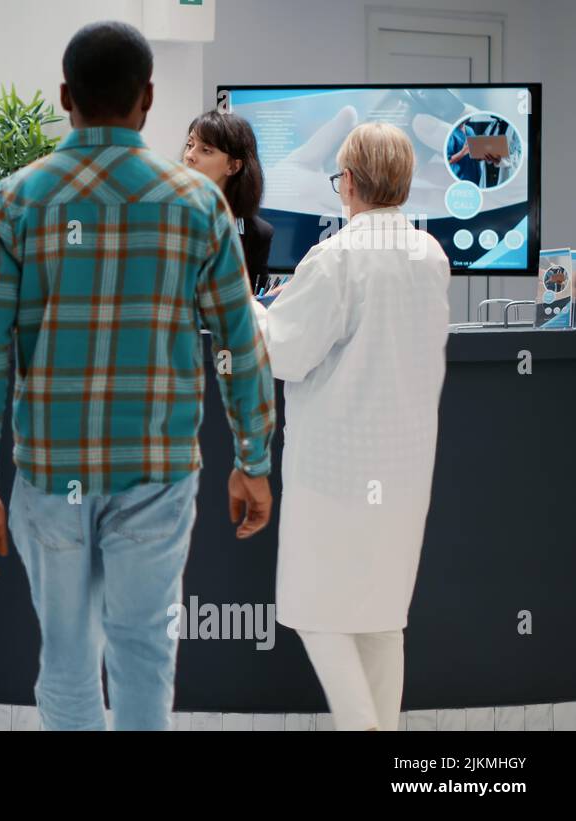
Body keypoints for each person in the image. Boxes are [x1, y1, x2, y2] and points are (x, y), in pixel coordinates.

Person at [0, 21, 276, 731]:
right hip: (156, 470)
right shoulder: (199, 204)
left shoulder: (15, 201)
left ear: (65, 96)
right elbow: (238, 344)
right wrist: (253, 460)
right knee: (145, 648)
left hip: (50, 470)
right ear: (148, 97)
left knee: (67, 656)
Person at [252, 122, 450, 731]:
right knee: (381, 617)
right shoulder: (430, 255)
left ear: (351, 183)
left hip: (335, 470)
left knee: (316, 610)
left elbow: (284, 352)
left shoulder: (336, 257)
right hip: (404, 467)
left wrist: (251, 307)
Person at [184, 110, 275, 293]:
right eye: (190, 145)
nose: (189, 155)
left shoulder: (258, 233)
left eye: (206, 150)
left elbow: (255, 297)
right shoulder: (168, 213)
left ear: (233, 166)